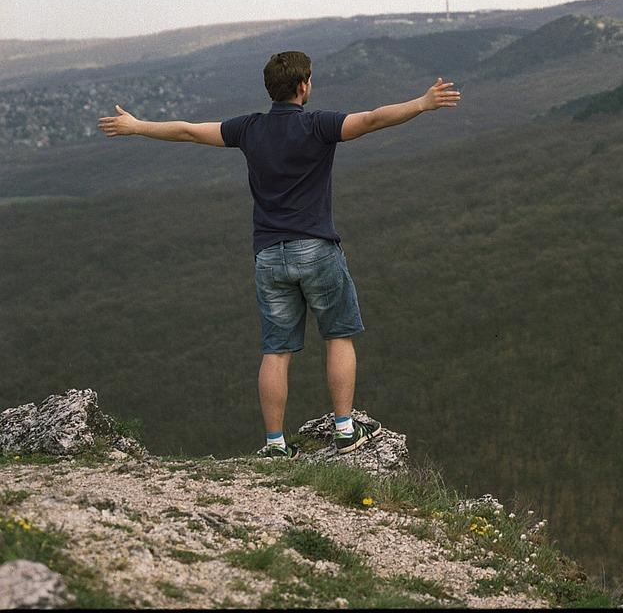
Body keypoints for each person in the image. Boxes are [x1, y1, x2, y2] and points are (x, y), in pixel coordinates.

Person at [98, 49, 460, 458]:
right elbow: (374, 119)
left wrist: (136, 126)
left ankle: (274, 444)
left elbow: (187, 131)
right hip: (316, 249)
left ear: (270, 88)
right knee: (338, 336)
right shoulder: (318, 125)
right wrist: (422, 103)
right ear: (303, 86)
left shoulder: (249, 129)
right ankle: (345, 430)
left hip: (269, 256)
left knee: (276, 351)